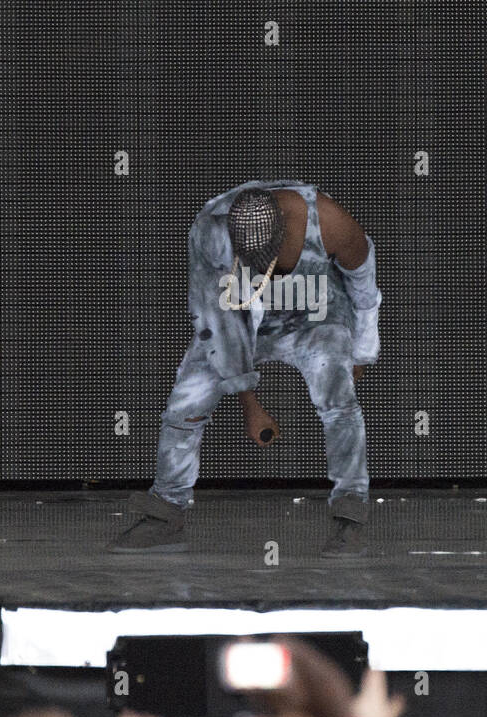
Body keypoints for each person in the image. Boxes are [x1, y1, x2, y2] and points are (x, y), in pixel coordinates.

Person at [108, 180, 381, 557]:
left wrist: (362, 353)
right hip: (237, 313)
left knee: (338, 395)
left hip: (314, 314)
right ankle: (165, 514)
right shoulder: (209, 232)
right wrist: (250, 405)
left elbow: (365, 290)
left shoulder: (330, 222)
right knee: (187, 400)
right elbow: (221, 326)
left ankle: (352, 516)